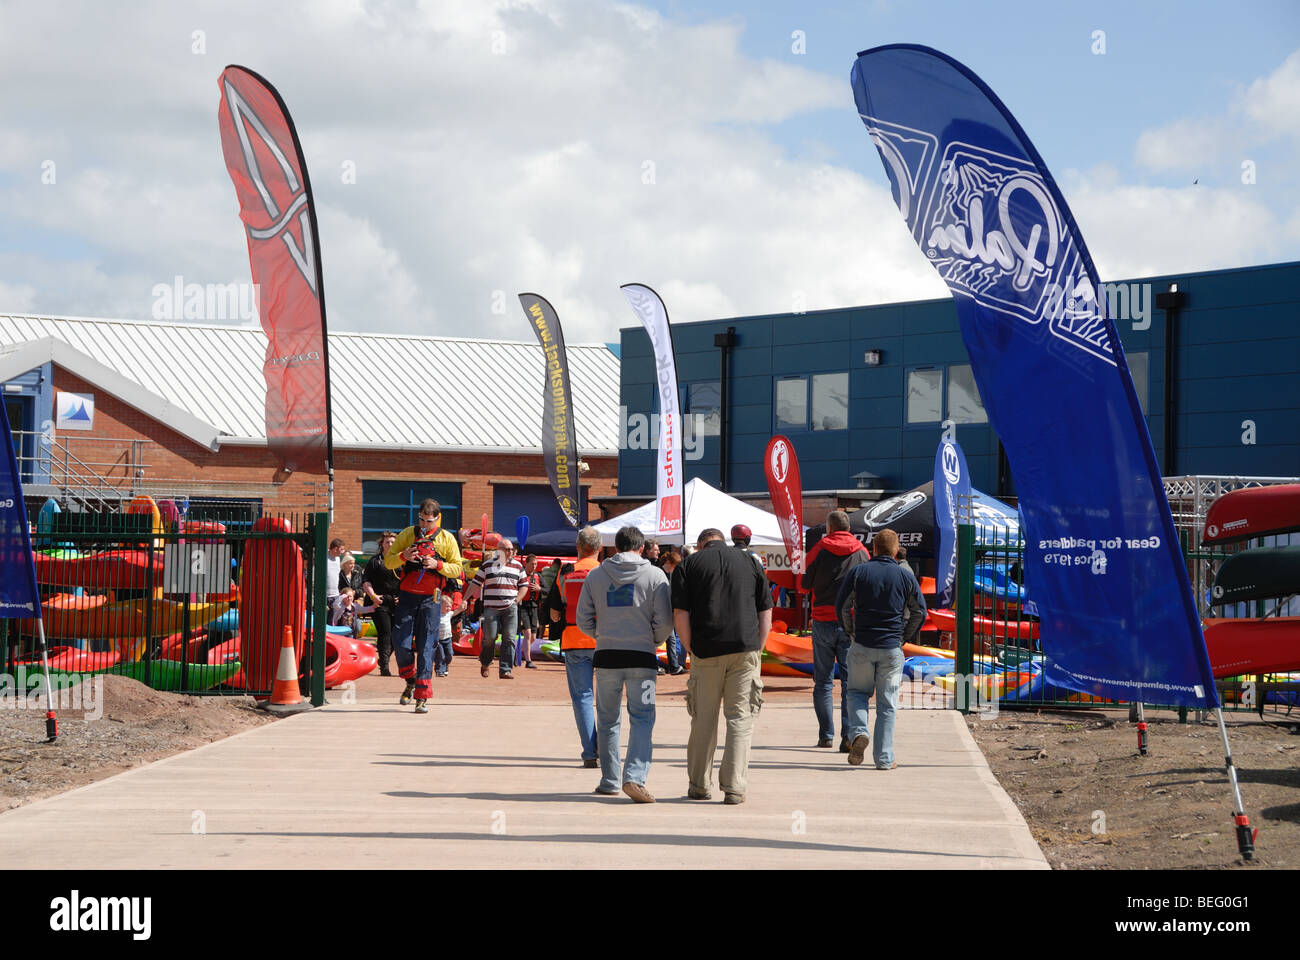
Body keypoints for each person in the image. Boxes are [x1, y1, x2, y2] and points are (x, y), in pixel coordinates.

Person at [672, 527, 772, 804]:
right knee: (740, 719)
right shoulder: (751, 561)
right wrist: (758, 646)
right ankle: (734, 787)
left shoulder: (689, 564)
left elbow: (680, 612)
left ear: (702, 544)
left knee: (703, 719)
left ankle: (699, 785)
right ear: (723, 541)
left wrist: (690, 647)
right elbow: (766, 610)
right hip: (745, 650)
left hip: (706, 650)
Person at [577, 525, 673, 803]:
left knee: (607, 720)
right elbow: (665, 621)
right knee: (643, 718)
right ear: (642, 548)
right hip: (642, 659)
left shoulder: (596, 576)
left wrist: (602, 635)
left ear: (615, 547)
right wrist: (650, 640)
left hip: (606, 657)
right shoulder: (656, 575)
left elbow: (583, 618)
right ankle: (634, 777)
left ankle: (609, 780)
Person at [834, 528, 927, 769]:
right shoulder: (905, 576)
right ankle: (884, 759)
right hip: (891, 647)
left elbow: (842, 607)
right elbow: (920, 611)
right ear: (896, 551)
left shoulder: (858, 572)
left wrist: (851, 632)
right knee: (887, 704)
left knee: (856, 693)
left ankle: (858, 733)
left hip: (862, 644)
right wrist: (903, 637)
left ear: (873, 549)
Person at [383, 499, 464, 714]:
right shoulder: (408, 534)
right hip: (408, 596)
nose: (424, 525)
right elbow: (388, 562)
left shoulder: (447, 538)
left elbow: (457, 569)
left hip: (433, 598)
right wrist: (403, 556)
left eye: (428, 521)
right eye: (421, 520)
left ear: (438, 518)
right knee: (400, 641)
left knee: (428, 645)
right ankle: (410, 679)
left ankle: (422, 696)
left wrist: (437, 564)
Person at [801, 511, 869, 751]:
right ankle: (848, 737)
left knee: (823, 682)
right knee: (851, 684)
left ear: (829, 528)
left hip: (822, 620)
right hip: (850, 622)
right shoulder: (862, 551)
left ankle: (825, 736)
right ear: (848, 527)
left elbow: (802, 584)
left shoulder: (818, 549)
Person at [551, 526, 602, 767]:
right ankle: (606, 748)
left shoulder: (565, 573)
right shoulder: (606, 572)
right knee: (606, 698)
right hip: (604, 641)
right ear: (599, 549)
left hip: (574, 639)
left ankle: (589, 753)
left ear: (578, 548)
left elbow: (553, 612)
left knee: (582, 697)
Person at [467, 537, 528, 679]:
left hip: (510, 607)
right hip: (491, 607)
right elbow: (475, 583)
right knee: (490, 637)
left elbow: (524, 586)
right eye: (506, 549)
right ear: (498, 550)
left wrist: (517, 600)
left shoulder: (518, 566)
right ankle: (485, 662)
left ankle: (505, 669)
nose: (510, 552)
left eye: (511, 549)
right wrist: (465, 599)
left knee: (509, 638)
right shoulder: (487, 565)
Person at [363, 530, 402, 676]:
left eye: (393, 542)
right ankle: (384, 666)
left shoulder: (400, 560)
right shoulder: (375, 561)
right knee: (385, 633)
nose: (390, 544)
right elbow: (366, 581)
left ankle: (383, 658)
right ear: (382, 544)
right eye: (387, 542)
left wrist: (401, 596)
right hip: (379, 602)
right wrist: (373, 596)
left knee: (395, 635)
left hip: (396, 602)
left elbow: (405, 581)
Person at [657, 548, 686, 674]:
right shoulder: (660, 573)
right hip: (661, 611)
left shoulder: (667, 573)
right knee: (666, 639)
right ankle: (673, 666)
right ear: (669, 562)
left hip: (667, 611)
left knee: (670, 639)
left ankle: (673, 665)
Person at [518, 554, 542, 669]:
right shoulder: (521, 575)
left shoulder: (538, 576)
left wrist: (539, 589)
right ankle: (528, 660)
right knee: (527, 633)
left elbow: (548, 589)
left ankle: (518, 652)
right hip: (522, 607)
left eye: (536, 564)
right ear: (526, 563)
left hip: (533, 607)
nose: (534, 566)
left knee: (533, 637)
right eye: (532, 564)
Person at [433, 590, 462, 677]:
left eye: (450, 606)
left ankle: (445, 667)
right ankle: (439, 670)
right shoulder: (436, 614)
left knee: (449, 654)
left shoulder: (449, 614)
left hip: (448, 638)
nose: (448, 608)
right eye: (446, 606)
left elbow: (457, 611)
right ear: (440, 606)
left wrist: (462, 607)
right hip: (439, 640)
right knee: (440, 655)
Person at [326, 538, 347, 606]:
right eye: (341, 549)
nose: (342, 551)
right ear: (335, 549)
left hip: (335, 594)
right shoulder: (324, 558)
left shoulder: (338, 559)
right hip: (324, 595)